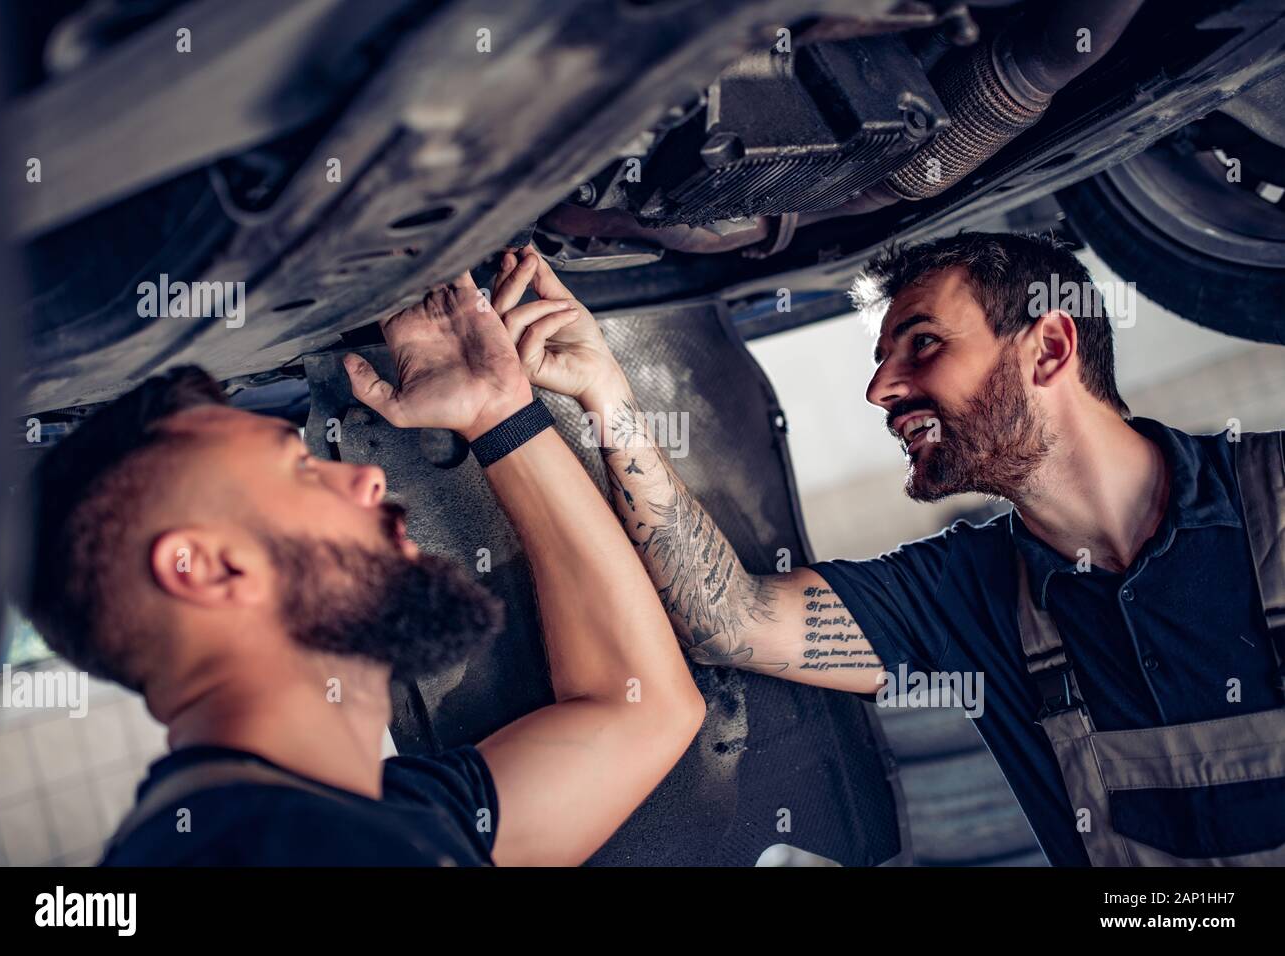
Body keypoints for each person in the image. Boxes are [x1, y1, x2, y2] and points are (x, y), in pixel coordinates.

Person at [507, 231, 1285, 867]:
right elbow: (729, 617)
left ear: (1049, 348)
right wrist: (607, 397)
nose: (881, 389)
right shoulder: (962, 591)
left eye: (922, 343)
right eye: (884, 357)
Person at [19, 264, 704, 866]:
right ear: (206, 569)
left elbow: (642, 708)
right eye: (299, 470)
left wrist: (500, 414)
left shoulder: (402, 819)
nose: (367, 481)